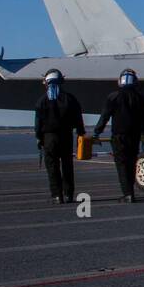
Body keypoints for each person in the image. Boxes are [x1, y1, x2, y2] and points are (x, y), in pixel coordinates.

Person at [94, 68, 144, 202]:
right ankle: (130, 191)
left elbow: (104, 117)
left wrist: (96, 132)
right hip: (134, 136)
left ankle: (127, 193)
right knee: (132, 162)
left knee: (122, 164)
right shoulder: (141, 99)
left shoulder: (113, 97)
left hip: (118, 136)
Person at [34, 69, 86, 204]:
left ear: (46, 82)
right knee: (67, 166)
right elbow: (78, 118)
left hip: (49, 138)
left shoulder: (42, 101)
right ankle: (68, 194)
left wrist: (39, 138)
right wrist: (80, 132)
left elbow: (38, 123)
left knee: (52, 167)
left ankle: (57, 196)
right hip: (66, 137)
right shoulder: (70, 99)